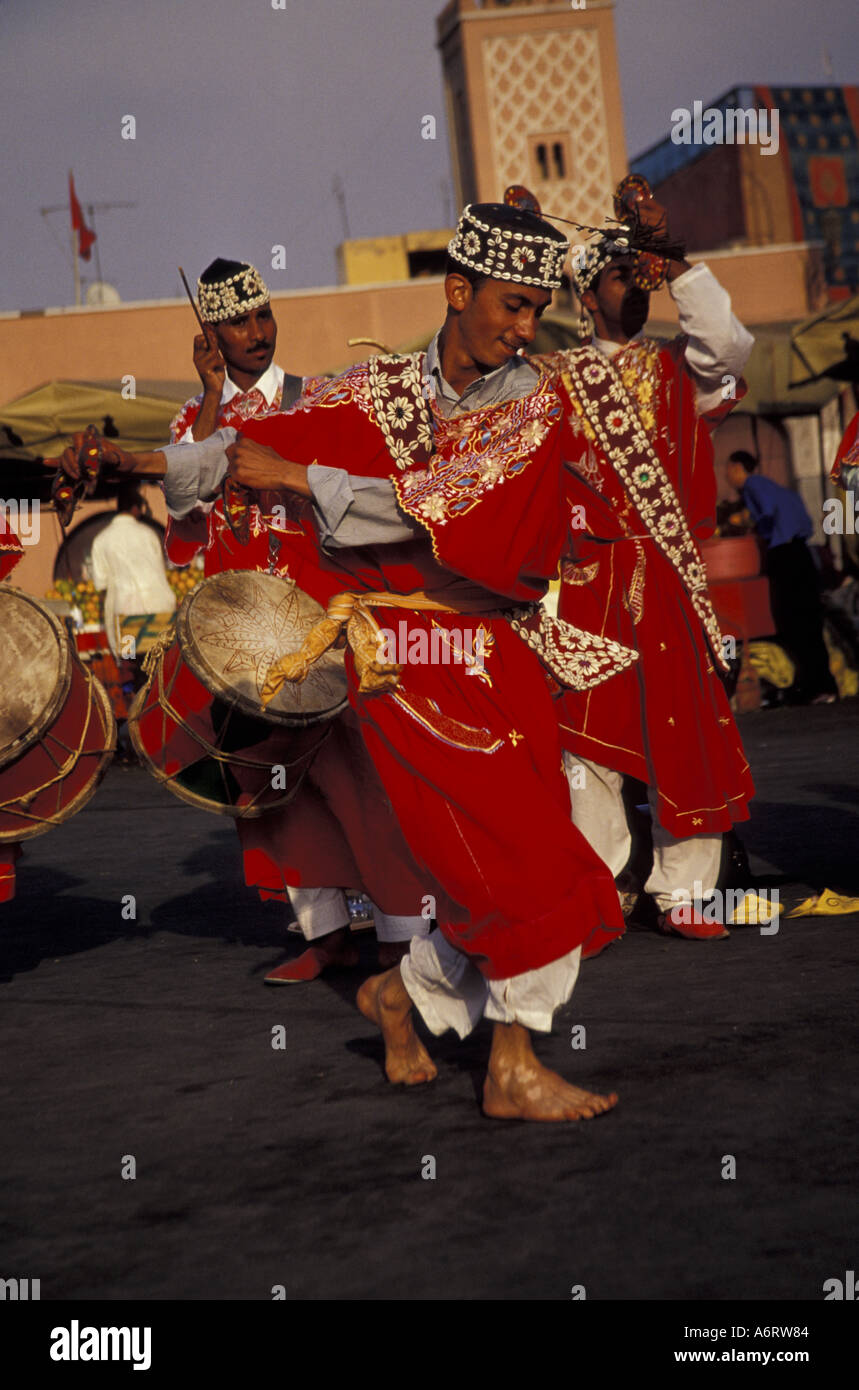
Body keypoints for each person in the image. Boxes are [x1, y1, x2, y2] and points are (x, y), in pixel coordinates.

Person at [55, 202, 632, 1121]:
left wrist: (300, 480)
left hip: (494, 654)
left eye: (535, 312)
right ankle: (510, 1065)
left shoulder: (532, 402)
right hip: (398, 658)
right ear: (458, 290)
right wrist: (115, 456)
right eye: (514, 306)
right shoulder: (377, 391)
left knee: (585, 833)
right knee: (516, 855)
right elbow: (233, 455)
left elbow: (445, 500)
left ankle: (403, 993)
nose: (526, 329)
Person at [169, 257, 426, 979]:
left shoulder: (317, 399)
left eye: (263, 316)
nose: (256, 332)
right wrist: (211, 395)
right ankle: (324, 936)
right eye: (238, 323)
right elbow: (187, 503)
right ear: (210, 335)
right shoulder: (194, 420)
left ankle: (399, 930)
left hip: (323, 616)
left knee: (361, 770)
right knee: (276, 784)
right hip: (247, 633)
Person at [535, 192, 756, 943]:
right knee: (585, 745)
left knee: (682, 730)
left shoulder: (678, 373)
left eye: (643, 275)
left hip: (667, 578)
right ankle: (600, 891)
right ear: (585, 294)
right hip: (588, 587)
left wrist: (681, 262)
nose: (636, 286)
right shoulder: (553, 377)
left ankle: (684, 892)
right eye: (620, 276)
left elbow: (728, 347)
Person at [727, 451, 836, 704]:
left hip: (785, 556)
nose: (727, 476)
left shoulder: (753, 485)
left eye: (728, 470)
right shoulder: (777, 487)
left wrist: (743, 521)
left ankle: (813, 687)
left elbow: (766, 513)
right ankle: (823, 685)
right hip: (803, 554)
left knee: (793, 622)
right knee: (810, 622)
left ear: (736, 468)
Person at [88, 482, 176, 661]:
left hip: (125, 617)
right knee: (160, 665)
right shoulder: (149, 534)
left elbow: (100, 583)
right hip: (159, 611)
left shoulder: (101, 540)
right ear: (135, 508)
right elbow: (160, 571)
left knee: (132, 668)